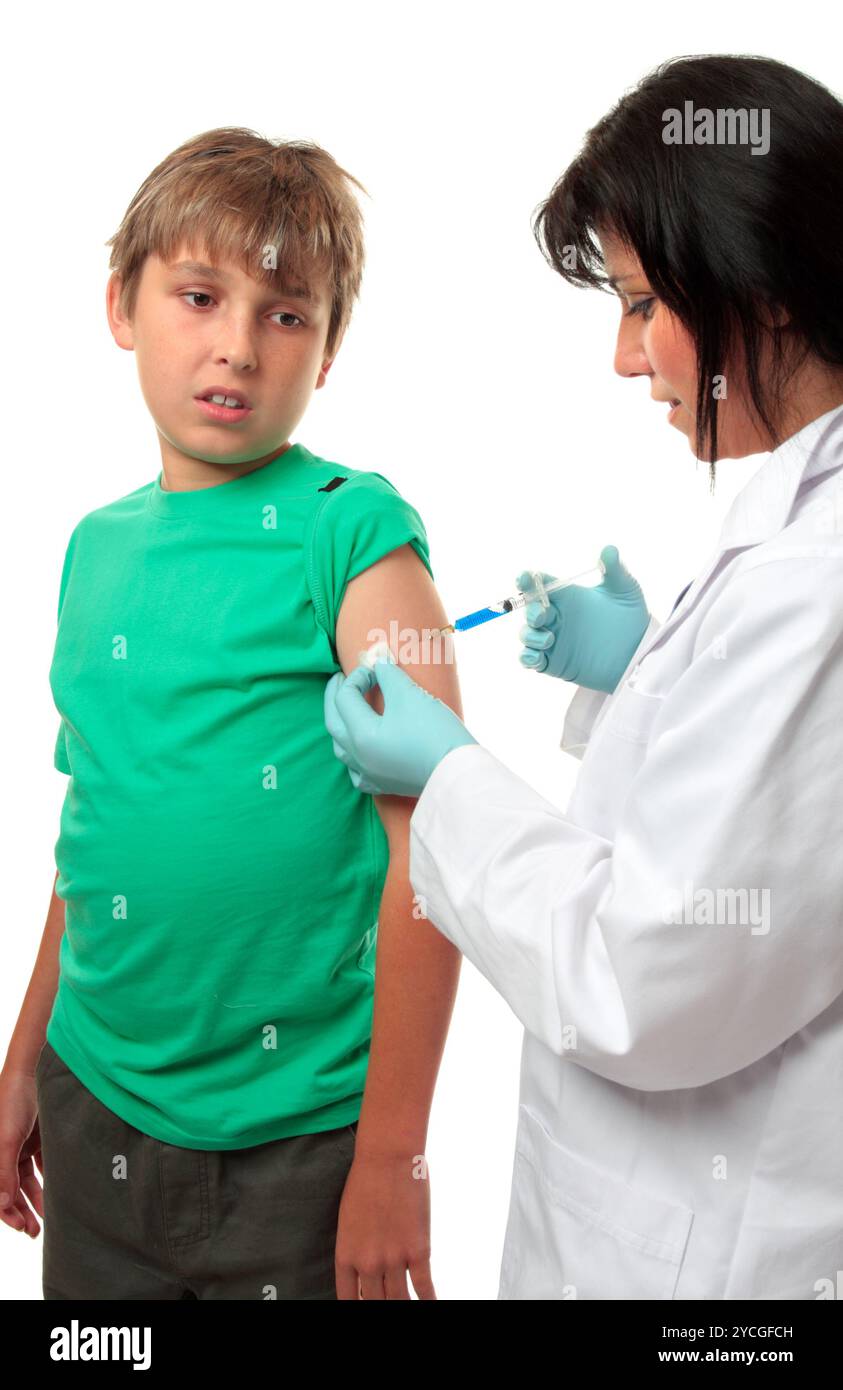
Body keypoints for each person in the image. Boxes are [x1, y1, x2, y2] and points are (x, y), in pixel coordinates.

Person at [324, 55, 843, 1299]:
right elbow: (760, 819)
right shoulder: (791, 550)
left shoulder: (811, 585)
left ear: (762, 293)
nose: (625, 359)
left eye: (642, 302)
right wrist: (643, 676)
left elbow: (644, 972)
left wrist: (447, 777)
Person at [0, 127, 463, 1301]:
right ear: (122, 303)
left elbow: (441, 844)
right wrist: (22, 1065)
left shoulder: (351, 534)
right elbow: (93, 822)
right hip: (96, 1099)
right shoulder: (93, 548)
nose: (237, 347)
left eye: (286, 313)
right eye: (199, 295)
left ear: (330, 347)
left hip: (303, 1143)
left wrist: (390, 1155)